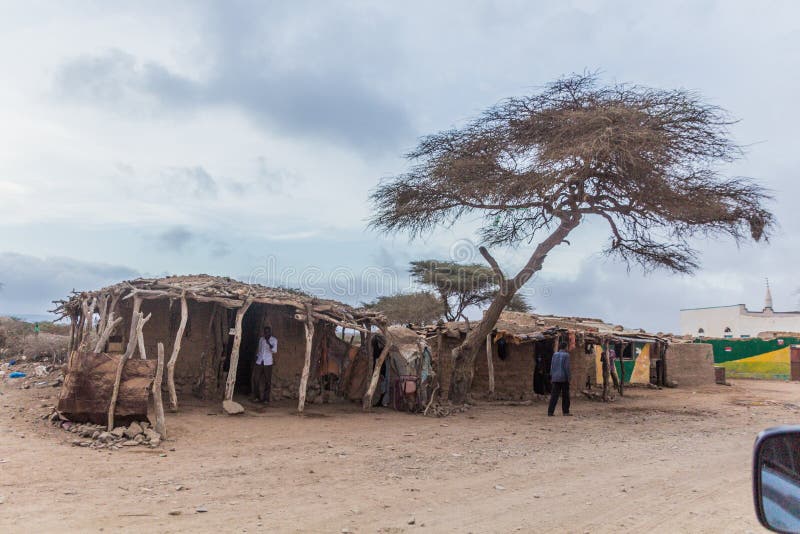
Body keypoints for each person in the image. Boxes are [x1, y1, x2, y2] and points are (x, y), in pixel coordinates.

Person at [252, 326, 277, 403]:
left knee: (267, 381)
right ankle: (257, 397)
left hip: (268, 363)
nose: (266, 333)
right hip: (259, 362)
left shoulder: (274, 340)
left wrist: (268, 342)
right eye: (265, 332)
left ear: (270, 332)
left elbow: (274, 351)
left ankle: (266, 399)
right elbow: (259, 350)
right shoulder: (261, 339)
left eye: (267, 332)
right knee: (256, 379)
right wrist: (257, 358)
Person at [548, 340, 571, 416]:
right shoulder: (566, 355)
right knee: (565, 396)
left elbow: (552, 366)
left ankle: (550, 412)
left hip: (555, 378)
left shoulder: (555, 354)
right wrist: (569, 378)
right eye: (567, 347)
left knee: (554, 396)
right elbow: (566, 367)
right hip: (563, 378)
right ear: (565, 347)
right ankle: (565, 412)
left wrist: (552, 376)